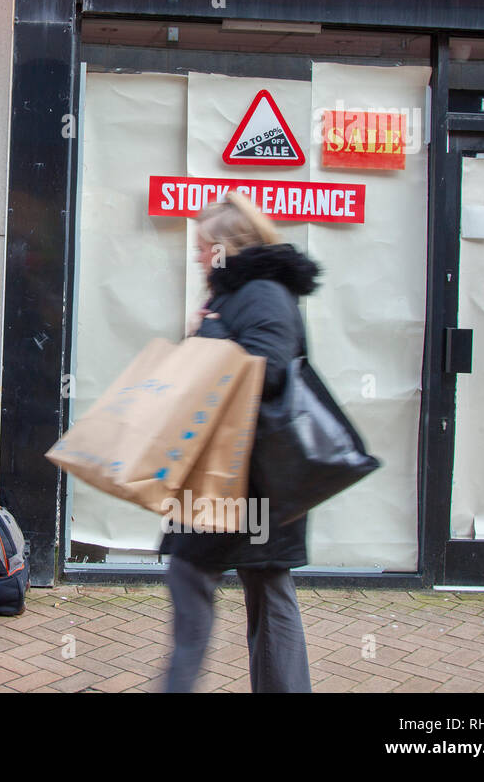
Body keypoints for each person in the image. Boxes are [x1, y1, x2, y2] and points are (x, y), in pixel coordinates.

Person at [161, 191, 318, 693]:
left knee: (209, 577)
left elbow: (268, 371)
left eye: (204, 246)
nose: (197, 255)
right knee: (262, 584)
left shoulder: (262, 292)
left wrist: (207, 337)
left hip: (248, 475)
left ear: (228, 246)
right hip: (233, 470)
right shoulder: (240, 291)